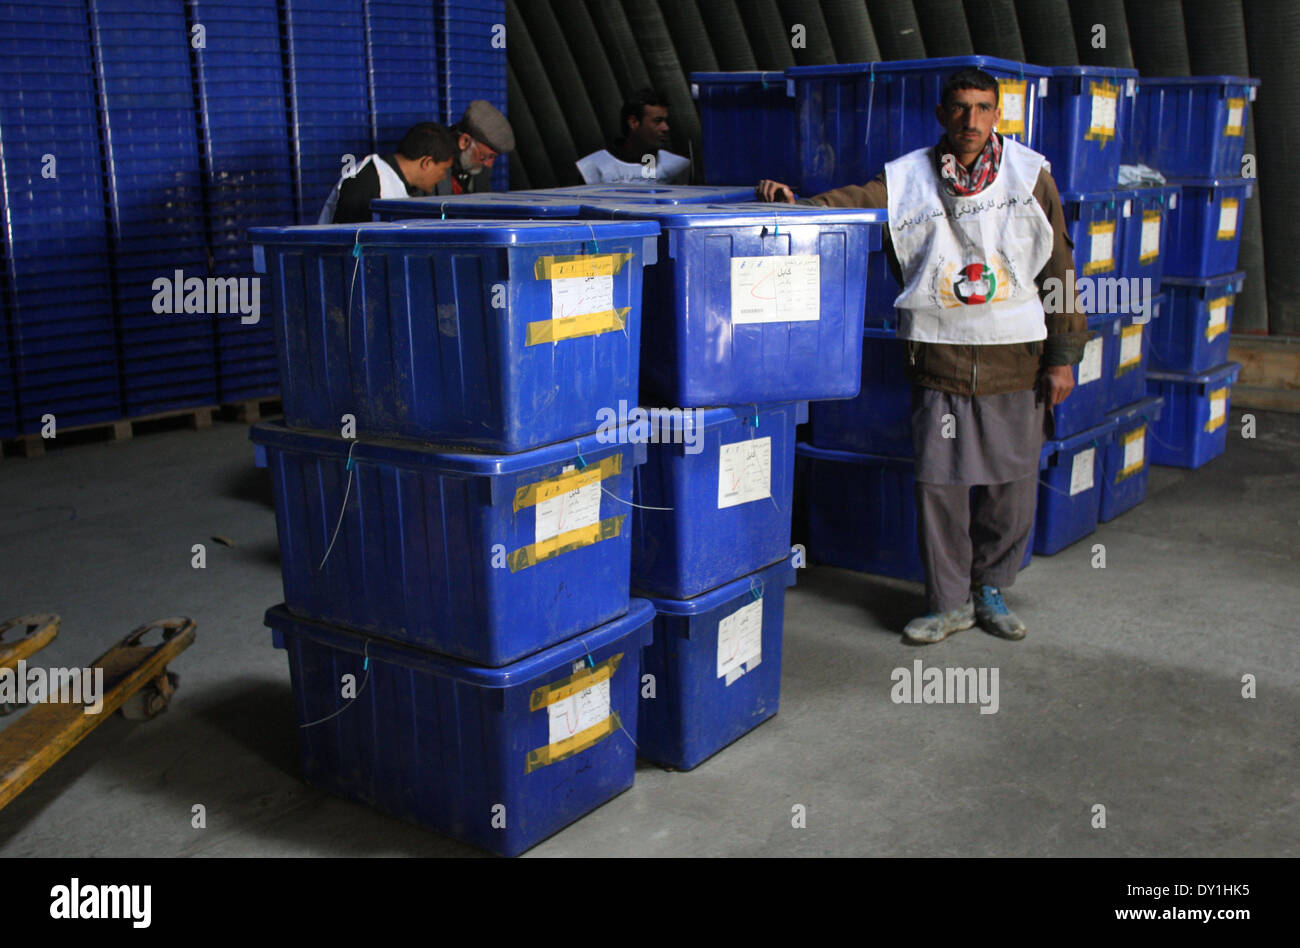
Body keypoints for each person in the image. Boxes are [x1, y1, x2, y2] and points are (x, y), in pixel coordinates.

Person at [757, 68, 1089, 645]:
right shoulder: (909, 177)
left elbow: (1059, 269)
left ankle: (991, 588)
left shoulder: (1030, 177)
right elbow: (855, 203)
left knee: (1010, 485)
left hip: (1016, 358)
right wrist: (801, 204)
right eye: (960, 109)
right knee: (941, 487)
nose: (971, 121)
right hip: (940, 360)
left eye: (983, 109)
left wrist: (1063, 354)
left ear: (998, 114)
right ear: (941, 114)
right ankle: (947, 601)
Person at [319, 122, 456, 224]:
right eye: (443, 169)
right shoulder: (364, 181)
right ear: (426, 163)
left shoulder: (396, 181)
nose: (443, 177)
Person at [576, 88, 691, 184]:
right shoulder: (592, 167)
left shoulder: (678, 166)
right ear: (633, 122)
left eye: (665, 121)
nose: (665, 128)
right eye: (657, 121)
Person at [433, 99, 515, 196]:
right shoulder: (434, 161)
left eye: (493, 157)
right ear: (464, 141)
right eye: (484, 156)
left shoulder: (481, 168)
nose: (489, 164)